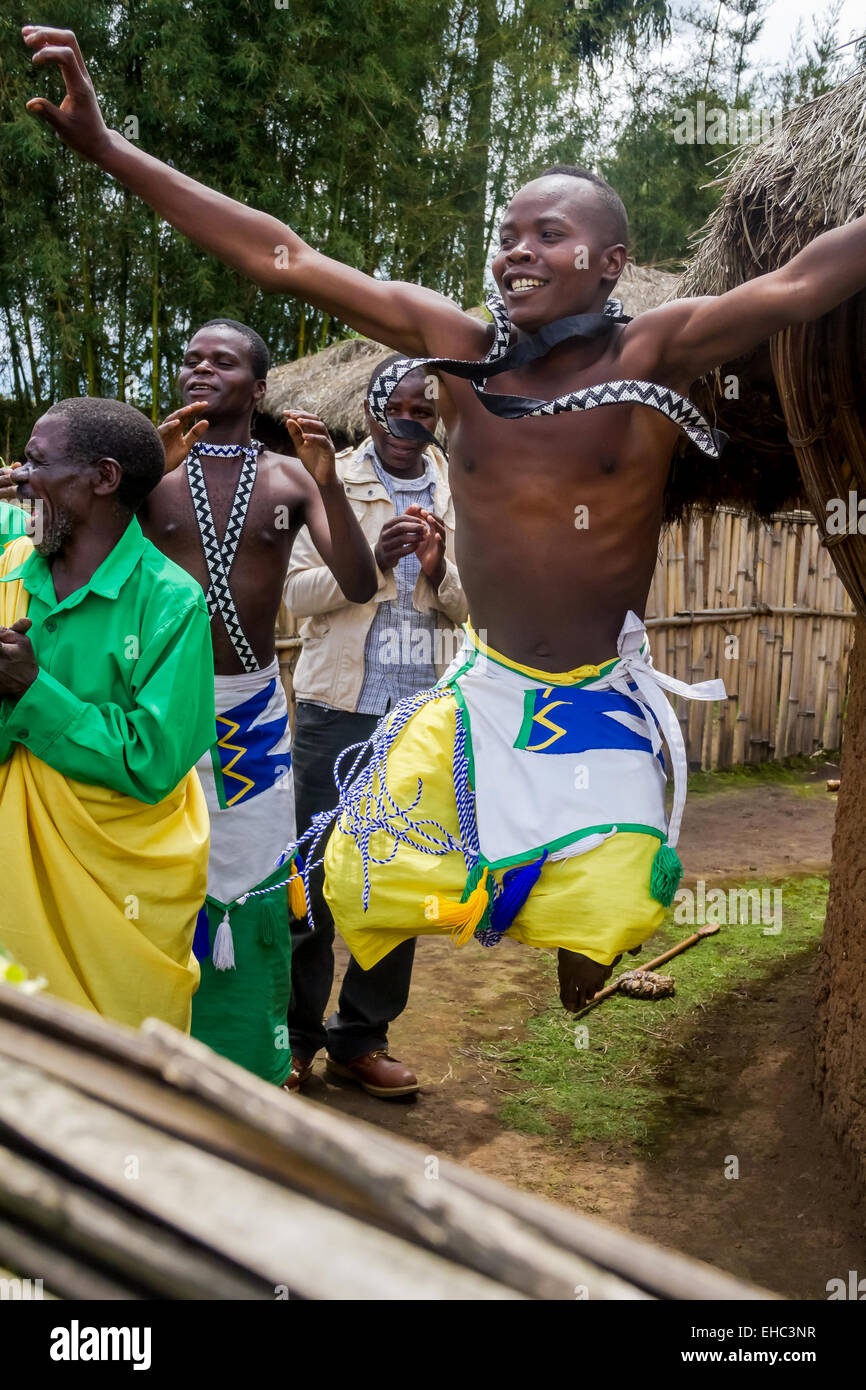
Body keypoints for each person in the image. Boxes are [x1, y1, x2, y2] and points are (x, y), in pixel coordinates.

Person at [25, 23, 866, 1011]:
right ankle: (374, 1001)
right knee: (358, 879)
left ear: (611, 262)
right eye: (506, 232)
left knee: (605, 918)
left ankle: (571, 935)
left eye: (547, 233)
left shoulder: (656, 351)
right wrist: (111, 148)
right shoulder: (453, 346)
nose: (516, 249)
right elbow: (283, 254)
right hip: (479, 689)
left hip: (593, 694)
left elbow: (804, 280)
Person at [139, 317, 377, 1090]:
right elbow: (93, 563)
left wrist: (332, 483)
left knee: (253, 875)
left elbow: (359, 580)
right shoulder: (154, 472)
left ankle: (253, 1052)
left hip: (251, 713)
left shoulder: (289, 476)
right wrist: (145, 472)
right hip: (161, 703)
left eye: (222, 361)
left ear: (259, 384)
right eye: (190, 358)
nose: (198, 371)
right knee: (160, 869)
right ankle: (154, 1039)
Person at [0, 398, 214, 1031]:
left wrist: (30, 689)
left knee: (119, 1076)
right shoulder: (10, 570)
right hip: (14, 870)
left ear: (104, 477)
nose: (18, 478)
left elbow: (152, 760)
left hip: (126, 886)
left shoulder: (172, 602)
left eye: (36, 463)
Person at [285, 358, 467, 1097]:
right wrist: (371, 560)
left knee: (400, 880)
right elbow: (298, 595)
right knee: (314, 882)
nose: (411, 423)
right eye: (399, 409)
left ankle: (360, 1040)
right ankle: (294, 1039)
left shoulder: (461, 486)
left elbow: (471, 607)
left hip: (420, 720)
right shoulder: (326, 480)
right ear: (369, 409)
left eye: (425, 413)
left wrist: (437, 564)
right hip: (336, 710)